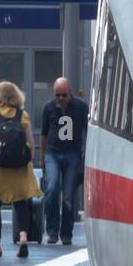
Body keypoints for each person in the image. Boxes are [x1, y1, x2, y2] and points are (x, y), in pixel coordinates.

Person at [0, 80, 41, 259]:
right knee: (21, 204)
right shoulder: (23, 115)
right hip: (19, 167)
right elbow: (31, 144)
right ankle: (24, 237)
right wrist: (29, 163)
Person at [39, 75, 89, 246]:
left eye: (64, 95)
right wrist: (42, 157)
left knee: (69, 195)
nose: (60, 99)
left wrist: (85, 158)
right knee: (52, 189)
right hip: (53, 153)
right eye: (57, 95)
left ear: (70, 93)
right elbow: (44, 134)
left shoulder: (81, 107)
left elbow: (87, 131)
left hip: (72, 154)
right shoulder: (49, 108)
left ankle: (66, 233)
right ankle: (52, 231)